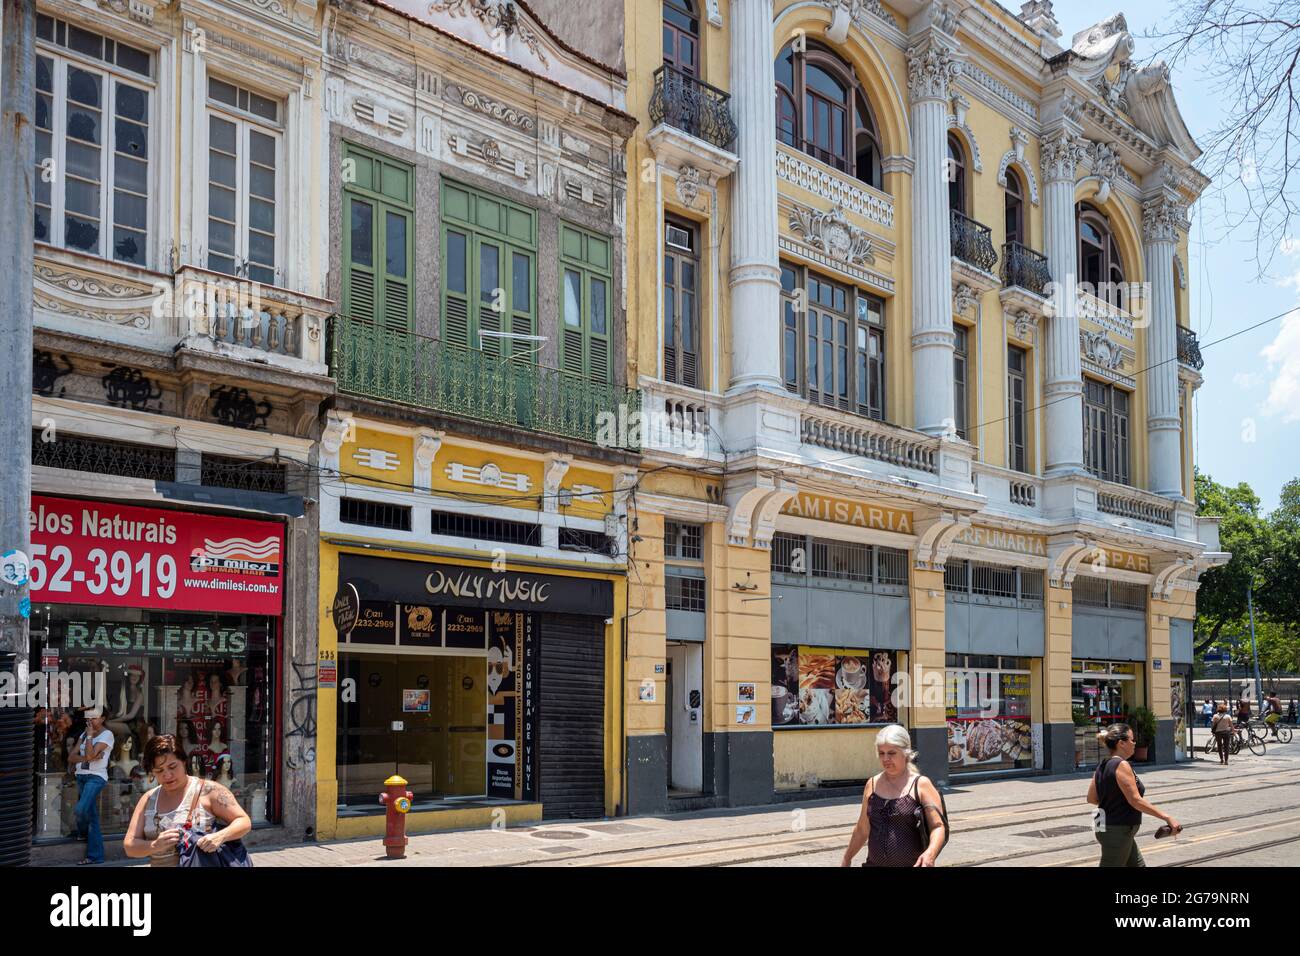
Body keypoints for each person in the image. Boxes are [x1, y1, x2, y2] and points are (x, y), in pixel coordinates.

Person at [122, 733, 252, 867]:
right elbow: (130, 846)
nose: (167, 775)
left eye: (172, 767)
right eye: (159, 770)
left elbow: (244, 821)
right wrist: (154, 845)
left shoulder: (209, 790)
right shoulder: (148, 799)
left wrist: (220, 836)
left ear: (184, 762)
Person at [841, 724, 946, 867]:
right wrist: (847, 858)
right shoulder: (872, 784)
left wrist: (930, 853)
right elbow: (862, 829)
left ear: (906, 753)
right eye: (881, 753)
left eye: (891, 753)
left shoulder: (920, 785)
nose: (885, 759)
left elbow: (938, 826)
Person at [1086, 723, 1181, 867]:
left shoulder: (1103, 765)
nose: (1135, 743)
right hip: (1117, 829)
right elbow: (1135, 800)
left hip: (1106, 826)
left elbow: (1091, 798)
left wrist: (1113, 798)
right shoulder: (1121, 765)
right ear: (1121, 743)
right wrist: (1166, 817)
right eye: (1132, 739)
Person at [66, 709, 114, 865]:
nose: (91, 720)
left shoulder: (107, 735)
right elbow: (71, 757)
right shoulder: (83, 734)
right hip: (81, 776)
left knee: (81, 809)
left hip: (96, 777)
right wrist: (90, 756)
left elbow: (88, 754)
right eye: (89, 717)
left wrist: (90, 738)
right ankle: (95, 856)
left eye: (95, 717)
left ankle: (82, 833)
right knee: (92, 817)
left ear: (103, 719)